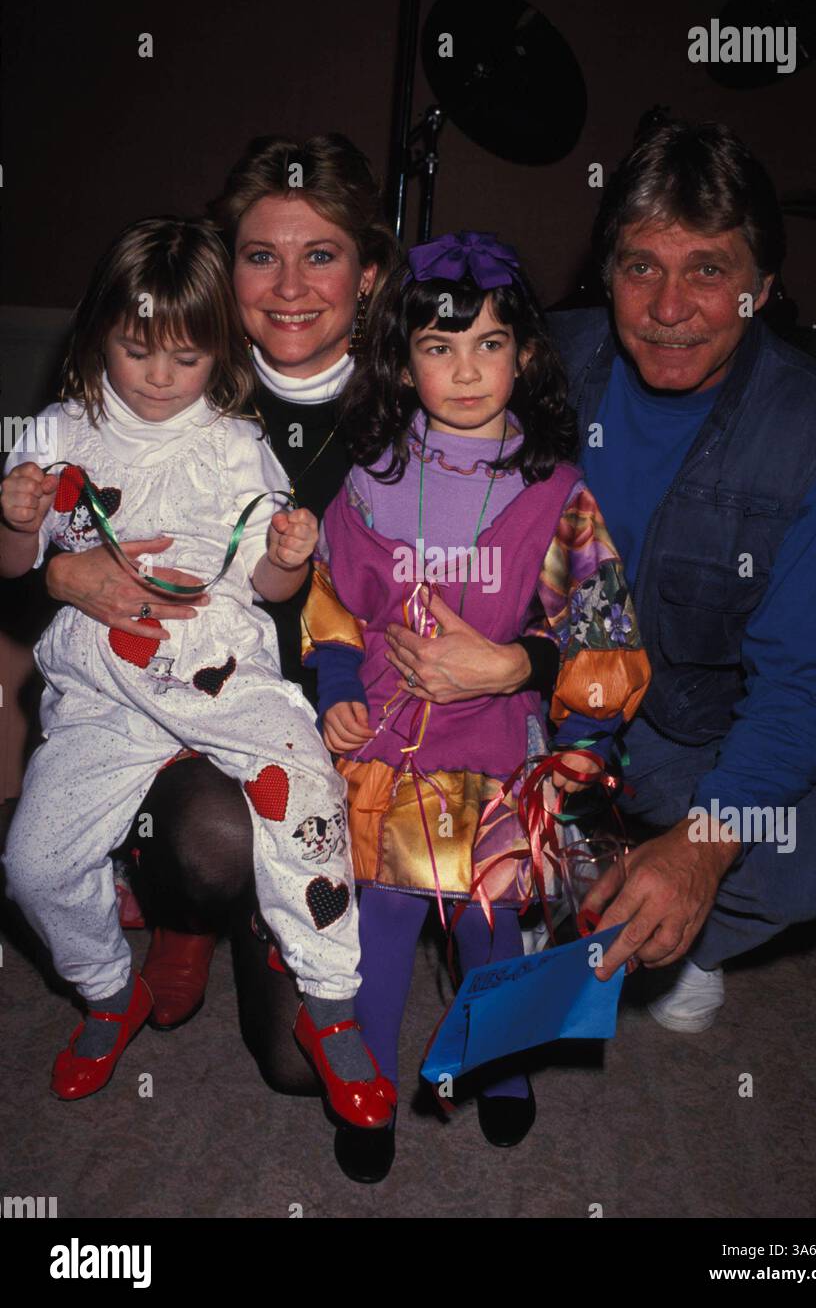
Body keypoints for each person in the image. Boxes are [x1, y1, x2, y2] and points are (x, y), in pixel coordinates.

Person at [37, 136, 554, 1095]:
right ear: (219, 266)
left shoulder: (430, 383)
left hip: (360, 732)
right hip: (171, 699)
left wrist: (522, 666)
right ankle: (190, 906)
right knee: (210, 845)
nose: (287, 286)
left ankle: (271, 921)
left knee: (293, 1069)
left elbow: (546, 539)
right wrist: (62, 573)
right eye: (259, 255)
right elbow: (37, 507)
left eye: (320, 254)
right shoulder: (165, 372)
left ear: (368, 276)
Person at [387, 120, 816, 1034]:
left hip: (677, 734)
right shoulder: (532, 359)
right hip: (518, 692)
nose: (668, 307)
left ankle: (673, 932)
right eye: (641, 267)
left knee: (805, 857)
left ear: (762, 289)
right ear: (605, 271)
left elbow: (808, 688)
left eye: (709, 270)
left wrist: (700, 847)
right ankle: (533, 882)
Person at [0, 217, 395, 1129]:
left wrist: (292, 554)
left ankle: (329, 1007)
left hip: (220, 668)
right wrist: (20, 519)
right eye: (137, 350)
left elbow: (266, 582)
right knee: (31, 861)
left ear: (217, 352)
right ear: (99, 329)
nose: (157, 378)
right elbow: (13, 565)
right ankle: (109, 991)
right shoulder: (59, 430)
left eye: (184, 359)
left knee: (306, 782)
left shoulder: (231, 441)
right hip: (105, 684)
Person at [301, 231, 651, 1179]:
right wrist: (335, 687)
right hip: (381, 746)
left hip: (496, 753)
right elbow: (330, 604)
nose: (465, 371)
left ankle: (500, 1065)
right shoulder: (367, 485)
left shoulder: (558, 492)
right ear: (402, 361)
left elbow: (606, 640)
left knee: (488, 925)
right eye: (438, 348)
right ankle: (365, 1088)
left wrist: (527, 672)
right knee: (376, 928)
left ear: (525, 354)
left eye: (489, 345)